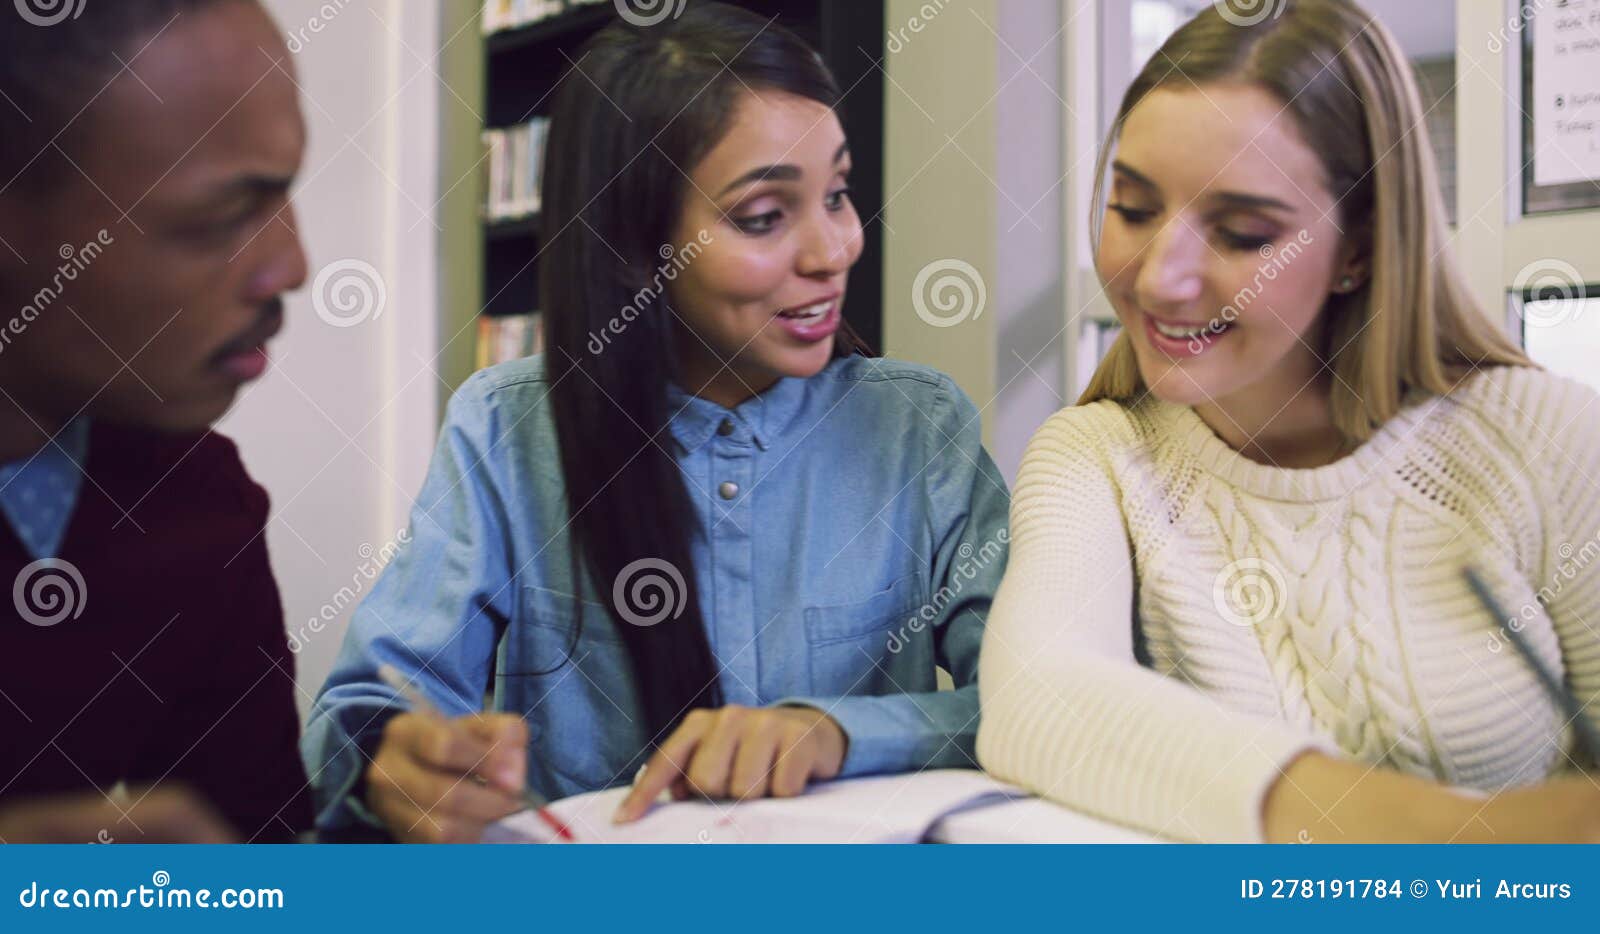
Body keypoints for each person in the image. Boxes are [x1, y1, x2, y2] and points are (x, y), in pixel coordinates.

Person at [303, 2, 1009, 843]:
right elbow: (363, 707)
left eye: (839, 194)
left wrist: (837, 732)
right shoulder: (504, 431)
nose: (833, 251)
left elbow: (1037, 706)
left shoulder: (918, 427)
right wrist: (397, 761)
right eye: (763, 217)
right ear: (634, 243)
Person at [977, 0, 1600, 843]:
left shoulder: (1545, 437)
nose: (1163, 279)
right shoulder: (1098, 456)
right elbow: (1038, 700)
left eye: (1239, 232)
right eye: (1132, 209)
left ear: (1360, 249)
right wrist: (1466, 838)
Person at [0, 0, 312, 843]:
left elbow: (264, 858)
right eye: (218, 218)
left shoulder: (204, 503)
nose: (292, 266)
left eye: (284, 197)